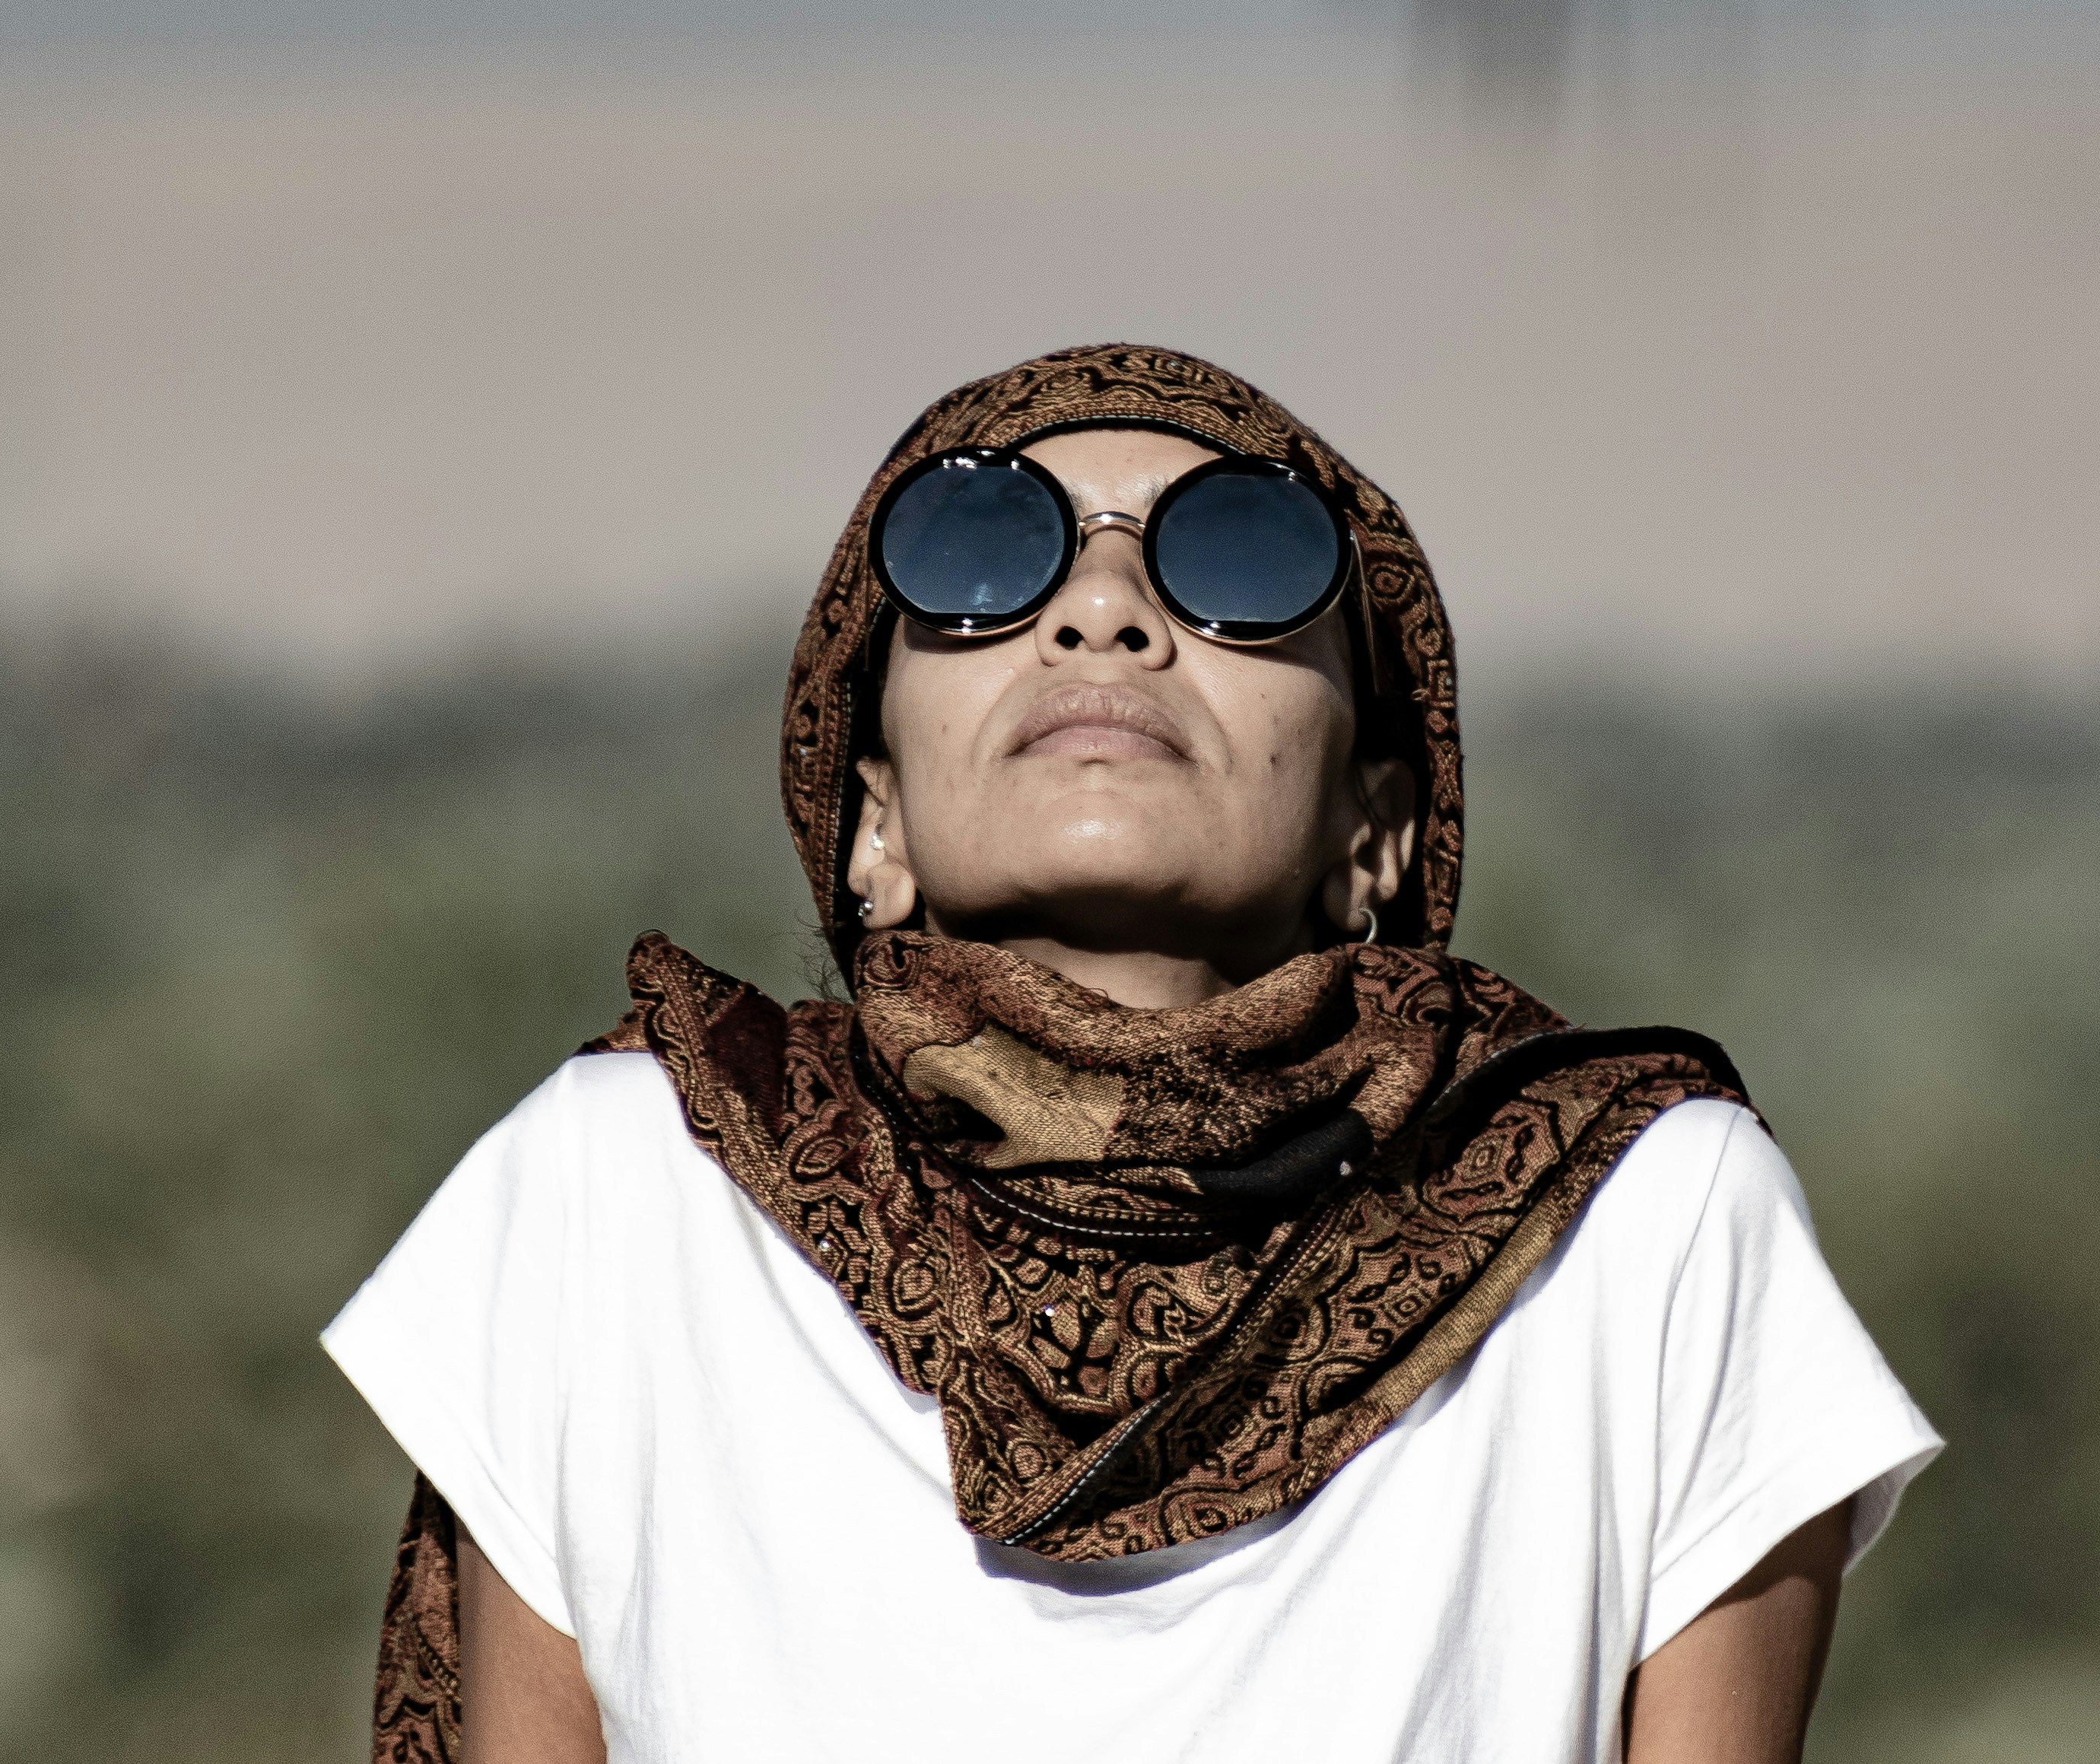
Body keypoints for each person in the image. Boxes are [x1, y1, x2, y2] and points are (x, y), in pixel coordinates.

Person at [323, 343, 1939, 1763]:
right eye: (981, 550)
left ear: (1376, 828)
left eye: (1239, 556)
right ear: (872, 812)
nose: (1104, 611)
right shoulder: (626, 1186)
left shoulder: (1635, 1218)